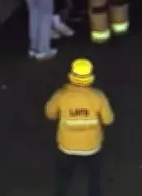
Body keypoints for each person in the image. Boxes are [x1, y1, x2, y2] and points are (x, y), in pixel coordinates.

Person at [45, 58, 114, 196]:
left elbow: (49, 113)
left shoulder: (61, 96)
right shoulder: (98, 97)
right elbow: (108, 120)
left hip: (67, 146)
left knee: (64, 177)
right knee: (94, 177)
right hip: (91, 146)